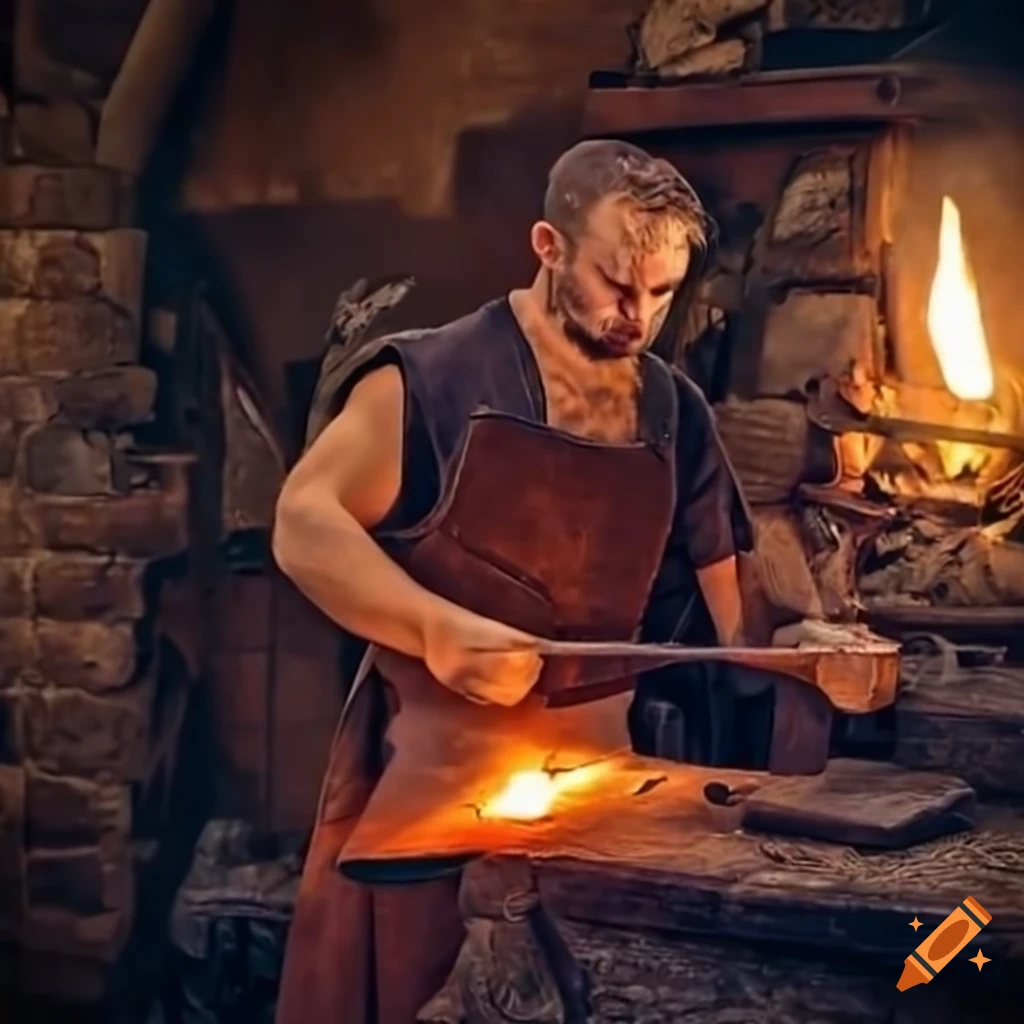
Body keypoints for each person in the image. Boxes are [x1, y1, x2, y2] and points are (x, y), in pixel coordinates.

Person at [271, 139, 754, 1024]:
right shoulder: (435, 379)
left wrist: (803, 649)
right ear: (548, 245)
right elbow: (304, 522)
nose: (636, 316)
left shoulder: (673, 410)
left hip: (609, 797)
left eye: (661, 293)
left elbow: (739, 616)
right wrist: (431, 628)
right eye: (616, 283)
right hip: (440, 803)